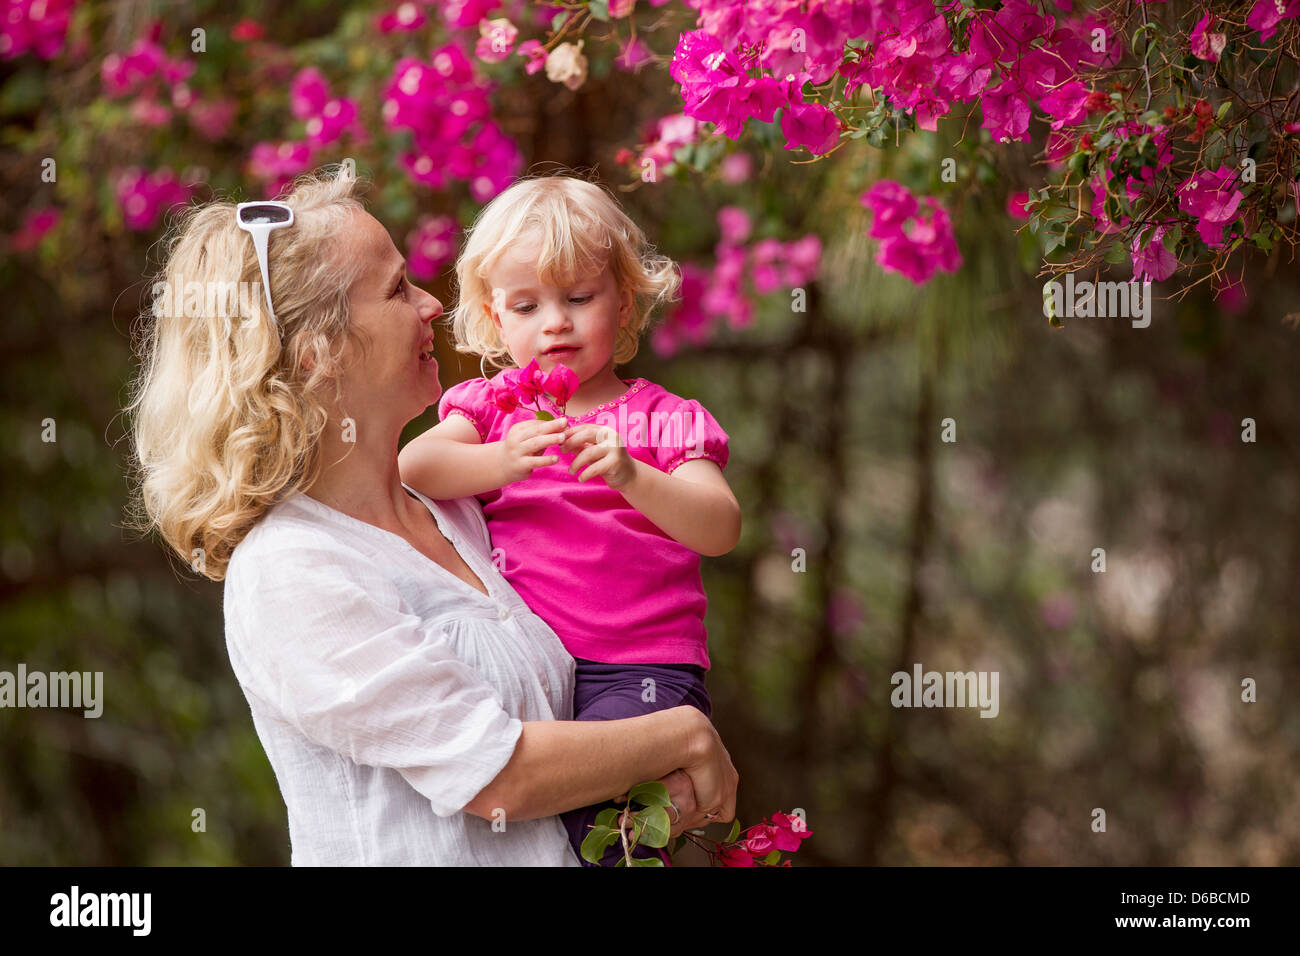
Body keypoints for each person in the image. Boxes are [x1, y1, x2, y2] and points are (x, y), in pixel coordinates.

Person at [123, 166, 737, 865]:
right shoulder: (292, 571)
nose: (433, 306)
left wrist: (661, 795)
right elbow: (504, 776)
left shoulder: (465, 517)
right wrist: (687, 735)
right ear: (321, 353)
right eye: (395, 288)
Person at [397, 173, 741, 865]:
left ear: (625, 302)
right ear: (496, 321)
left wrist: (629, 474)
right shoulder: (494, 409)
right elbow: (415, 467)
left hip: (641, 671)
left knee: (601, 830)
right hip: (534, 668)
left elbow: (719, 525)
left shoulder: (661, 419)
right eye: (526, 306)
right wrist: (499, 462)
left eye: (579, 298)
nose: (555, 321)